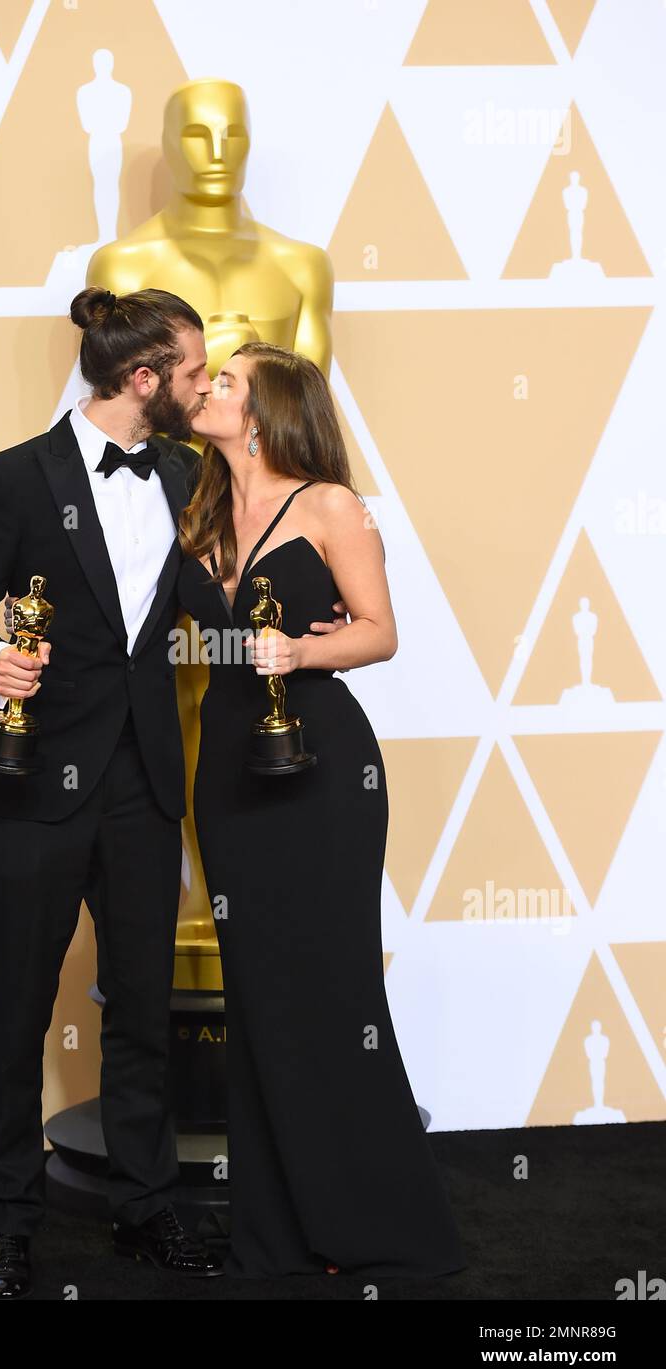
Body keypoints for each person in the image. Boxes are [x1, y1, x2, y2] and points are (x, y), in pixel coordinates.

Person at [0, 287, 348, 1297]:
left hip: (145, 781)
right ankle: (7, 1220)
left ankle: (146, 1205)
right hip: (37, 782)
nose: (205, 387)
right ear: (144, 376)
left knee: (139, 1006)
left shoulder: (183, 473)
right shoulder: (14, 478)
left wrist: (313, 614)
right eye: (195, 370)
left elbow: (221, 596)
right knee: (19, 1004)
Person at [176, 342, 468, 1279]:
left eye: (226, 381)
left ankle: (370, 1224)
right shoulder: (199, 509)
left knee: (333, 989)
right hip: (228, 770)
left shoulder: (332, 505)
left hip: (321, 771)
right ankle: (279, 1231)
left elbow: (380, 632)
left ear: (264, 414)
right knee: (258, 991)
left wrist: (300, 654)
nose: (208, 387)